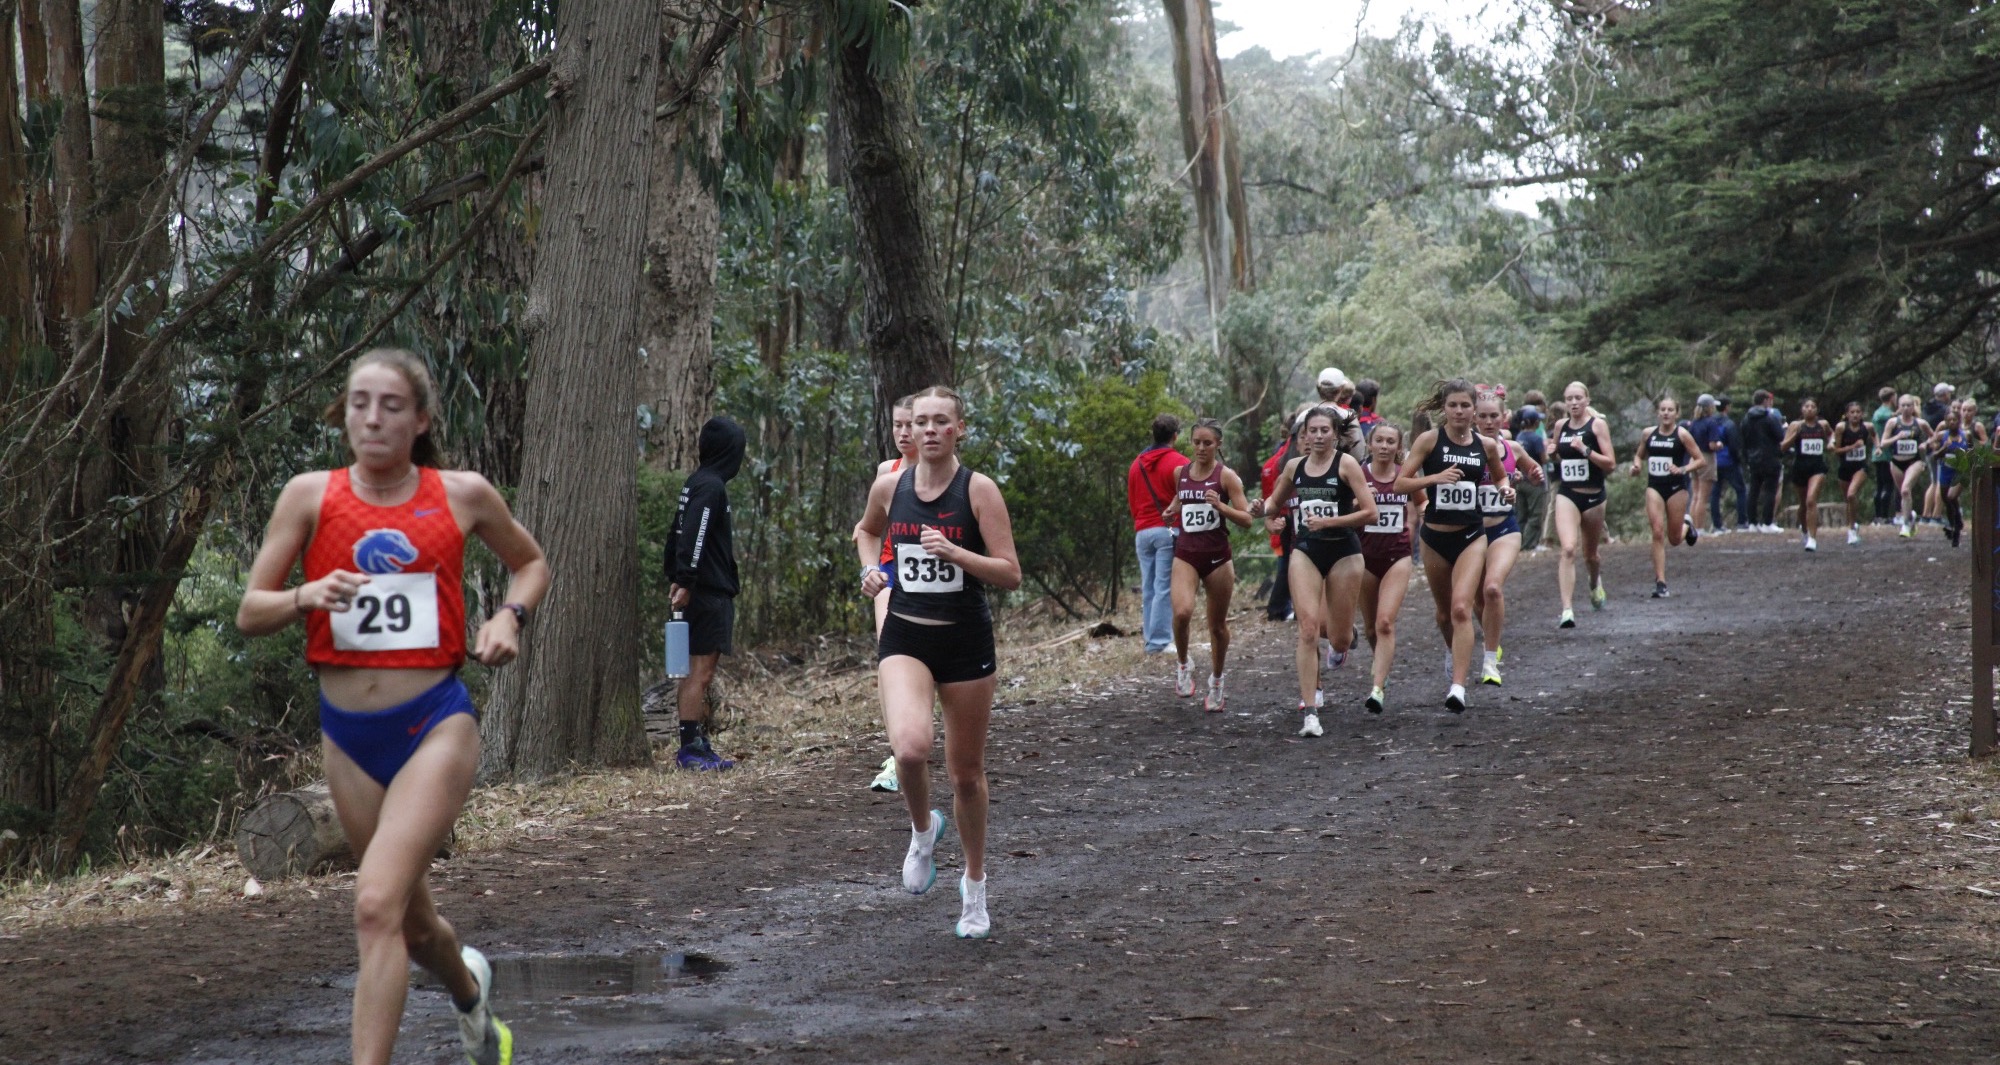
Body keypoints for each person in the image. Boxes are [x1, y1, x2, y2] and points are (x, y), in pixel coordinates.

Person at [236, 348, 548, 1065]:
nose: (372, 417)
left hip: (435, 723)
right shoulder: (309, 496)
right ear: (343, 415)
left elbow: (530, 563)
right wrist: (304, 595)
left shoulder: (461, 493)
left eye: (391, 405)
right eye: (358, 403)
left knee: (374, 903)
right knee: (412, 923)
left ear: (421, 419)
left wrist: (508, 619)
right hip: (347, 737)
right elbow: (251, 610)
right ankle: (473, 998)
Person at [853, 386, 1022, 939]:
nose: (928, 430)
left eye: (940, 422)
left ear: (959, 429)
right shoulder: (889, 485)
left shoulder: (979, 491)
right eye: (920, 421)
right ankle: (923, 831)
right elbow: (867, 531)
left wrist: (957, 554)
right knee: (909, 747)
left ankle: (974, 888)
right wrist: (871, 572)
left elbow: (1009, 572)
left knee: (966, 775)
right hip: (905, 634)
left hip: (965, 641)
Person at [1256, 406, 1378, 735]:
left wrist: (1331, 521)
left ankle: (1346, 637)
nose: (1320, 435)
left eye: (1326, 430)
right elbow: (1272, 504)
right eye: (1314, 430)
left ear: (1336, 435)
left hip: (1343, 552)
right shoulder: (1295, 467)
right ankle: (1310, 712)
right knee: (1308, 629)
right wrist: (1264, 513)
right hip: (1306, 551)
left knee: (1337, 638)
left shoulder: (1347, 464)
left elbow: (1371, 513)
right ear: (1304, 436)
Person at [1397, 379, 1512, 711]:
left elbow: (1499, 475)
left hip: (1471, 536)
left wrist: (1505, 489)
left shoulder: (1486, 445)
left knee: (1462, 607)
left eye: (1465, 405)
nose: (1459, 411)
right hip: (1434, 536)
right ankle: (1454, 652)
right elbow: (1401, 482)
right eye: (1453, 405)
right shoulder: (1429, 440)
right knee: (1445, 614)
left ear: (1474, 409)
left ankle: (1458, 687)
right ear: (1443, 408)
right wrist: (1435, 478)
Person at [665, 416, 745, 771]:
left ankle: (696, 743)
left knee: (697, 672)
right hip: (707, 594)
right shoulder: (711, 487)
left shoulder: (698, 483)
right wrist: (686, 580)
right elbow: (693, 536)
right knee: (700, 673)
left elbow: (676, 533)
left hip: (703, 590)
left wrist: (679, 575)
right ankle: (690, 750)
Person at [1166, 419, 1255, 711]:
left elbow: (1246, 520)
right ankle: (1182, 665)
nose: (1201, 448)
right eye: (1197, 442)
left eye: (1208, 443)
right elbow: (1183, 499)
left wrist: (1221, 506)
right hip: (1186, 553)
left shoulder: (1227, 477)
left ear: (1218, 445)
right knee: (1181, 613)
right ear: (1190, 443)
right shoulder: (1180, 472)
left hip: (1218, 558)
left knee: (1217, 627)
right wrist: (1172, 510)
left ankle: (1217, 681)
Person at [857, 397, 920, 793]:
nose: (902, 434)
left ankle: (917, 740)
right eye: (896, 425)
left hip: (928, 580)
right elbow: (870, 525)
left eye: (909, 426)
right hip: (889, 572)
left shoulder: (948, 476)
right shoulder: (887, 471)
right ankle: (897, 751)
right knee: (888, 657)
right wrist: (870, 567)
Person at [1474, 391, 1545, 684]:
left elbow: (1532, 468)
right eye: (1483, 416)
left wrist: (1534, 474)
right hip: (1472, 531)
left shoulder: (1512, 448)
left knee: (1492, 589)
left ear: (1503, 417)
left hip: (1504, 527)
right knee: (1477, 599)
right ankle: (1493, 637)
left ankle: (1490, 661)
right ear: (1474, 418)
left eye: (1494, 416)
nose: (1489, 422)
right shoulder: (1464, 449)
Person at [1357, 423, 1417, 713]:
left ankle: (1377, 688)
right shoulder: (1359, 475)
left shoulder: (1405, 475)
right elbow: (1343, 510)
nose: (1384, 446)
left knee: (1384, 623)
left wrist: (1418, 523)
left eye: (1390, 441)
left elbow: (1423, 501)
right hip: (1364, 558)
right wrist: (1357, 502)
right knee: (1370, 628)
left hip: (1398, 555)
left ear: (1398, 447)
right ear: (1369, 445)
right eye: (1378, 440)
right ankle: (1382, 665)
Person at [1550, 381, 1616, 627]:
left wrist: (1586, 451)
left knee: (1591, 555)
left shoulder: (1597, 425)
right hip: (1567, 493)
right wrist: (1550, 452)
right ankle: (1567, 610)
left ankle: (1594, 582)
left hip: (1594, 496)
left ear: (1587, 400)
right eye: (1569, 399)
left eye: (1578, 398)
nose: (1574, 403)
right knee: (1568, 549)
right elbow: (1557, 455)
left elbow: (1610, 463)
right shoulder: (1560, 426)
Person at [1626, 396, 1704, 597]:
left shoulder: (1682, 435)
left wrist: (1683, 468)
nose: (1666, 413)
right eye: (1663, 409)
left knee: (1675, 538)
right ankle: (1661, 582)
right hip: (1655, 487)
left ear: (1677, 413)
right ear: (1658, 413)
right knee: (1657, 531)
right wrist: (1636, 466)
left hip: (1677, 488)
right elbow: (1639, 455)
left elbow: (1700, 460)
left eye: (1670, 410)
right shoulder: (1648, 434)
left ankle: (1687, 525)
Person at [1127, 414, 1187, 655]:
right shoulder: (1180, 462)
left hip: (1142, 531)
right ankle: (1159, 641)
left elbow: (1132, 499)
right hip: (1167, 530)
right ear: (1175, 436)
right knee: (1163, 586)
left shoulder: (1136, 464)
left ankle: (1151, 638)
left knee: (1149, 587)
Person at [1777, 399, 1831, 552]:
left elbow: (1831, 435)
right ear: (1801, 409)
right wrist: (1794, 435)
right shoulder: (1796, 425)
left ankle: (1813, 539)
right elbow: (1782, 447)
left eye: (1813, 406)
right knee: (1803, 504)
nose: (1809, 409)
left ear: (1817, 410)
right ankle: (1805, 531)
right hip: (1800, 468)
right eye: (1806, 407)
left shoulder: (1823, 424)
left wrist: (1831, 442)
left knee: (1810, 501)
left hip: (1818, 468)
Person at [1260, 416, 1298, 622]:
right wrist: (1262, 514)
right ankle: (1278, 608)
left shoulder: (1273, 460)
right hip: (1286, 522)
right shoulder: (1285, 464)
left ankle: (1281, 607)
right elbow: (1271, 504)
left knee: (1286, 565)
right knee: (1287, 566)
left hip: (1286, 521)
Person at [1879, 394, 1933, 538]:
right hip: (1896, 462)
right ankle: (1911, 517)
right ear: (1899, 407)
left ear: (1913, 407)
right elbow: (1883, 443)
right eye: (1903, 405)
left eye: (1909, 405)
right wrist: (1897, 437)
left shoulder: (1920, 423)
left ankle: (1905, 524)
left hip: (1914, 461)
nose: (1906, 408)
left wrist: (1925, 444)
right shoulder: (1892, 423)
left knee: (1905, 490)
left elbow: (1933, 437)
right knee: (1903, 493)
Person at [1832, 401, 1877, 545]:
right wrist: (1852, 447)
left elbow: (1875, 435)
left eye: (1858, 412)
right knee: (1849, 500)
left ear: (1862, 414)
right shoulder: (1841, 428)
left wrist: (1878, 447)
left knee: (1852, 494)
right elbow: (1836, 451)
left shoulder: (1867, 426)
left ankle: (1851, 531)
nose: (1855, 415)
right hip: (1844, 468)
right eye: (1852, 412)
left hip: (1861, 467)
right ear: (1846, 415)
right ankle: (1854, 524)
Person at [1742, 390, 1786, 532]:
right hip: (1770, 458)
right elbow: (1780, 436)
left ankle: (1752, 523)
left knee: (1754, 490)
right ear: (1766, 400)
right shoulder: (1770, 417)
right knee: (1770, 490)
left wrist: (1746, 458)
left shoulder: (1746, 419)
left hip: (1753, 459)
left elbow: (1743, 440)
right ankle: (1767, 522)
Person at [1930, 407, 1970, 547]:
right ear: (1946, 422)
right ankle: (1955, 524)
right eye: (1949, 420)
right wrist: (1943, 449)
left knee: (1952, 497)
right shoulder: (1941, 436)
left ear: (1959, 421)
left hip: (1960, 472)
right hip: (1946, 472)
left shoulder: (1966, 435)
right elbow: (1934, 456)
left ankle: (1957, 530)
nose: (1952, 422)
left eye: (1954, 420)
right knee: (1947, 500)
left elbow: (1973, 451)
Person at [1513, 405, 1550, 552]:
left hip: (1520, 480)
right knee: (1536, 514)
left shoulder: (1519, 437)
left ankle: (1517, 544)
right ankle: (1528, 545)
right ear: (1535, 423)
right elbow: (1544, 459)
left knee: (1521, 515)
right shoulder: (1536, 438)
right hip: (1534, 481)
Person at [1709, 396, 1749, 532]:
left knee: (1715, 492)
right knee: (1741, 490)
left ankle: (1717, 525)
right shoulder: (1729, 424)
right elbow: (1734, 446)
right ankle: (1742, 522)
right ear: (1727, 407)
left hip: (1714, 462)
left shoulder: (1711, 422)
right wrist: (1739, 460)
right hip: (1729, 462)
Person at [1687, 395, 1721, 533]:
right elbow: (1712, 445)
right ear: (1709, 408)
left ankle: (1693, 527)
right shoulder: (1711, 423)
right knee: (1703, 497)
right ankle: (1700, 528)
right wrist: (1720, 444)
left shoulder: (1694, 423)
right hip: (1706, 458)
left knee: (1695, 495)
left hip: (1693, 458)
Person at [1870, 387, 1899, 523]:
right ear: (1892, 397)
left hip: (1880, 454)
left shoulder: (1882, 413)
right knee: (1886, 485)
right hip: (1884, 453)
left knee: (1882, 485)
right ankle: (1882, 516)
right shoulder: (1883, 413)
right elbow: (1885, 418)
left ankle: (1880, 515)